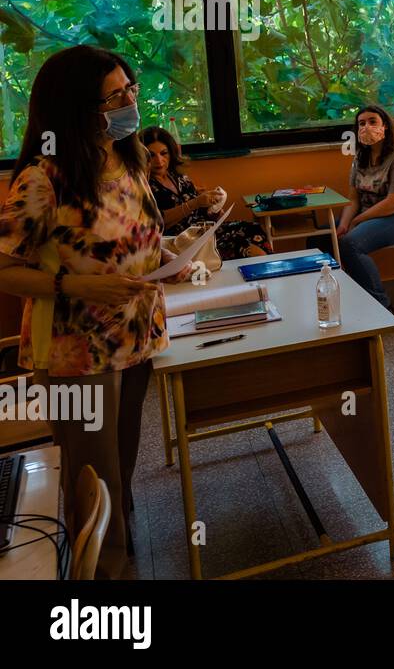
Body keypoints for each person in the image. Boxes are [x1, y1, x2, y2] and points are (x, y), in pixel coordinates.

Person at [0, 45, 193, 579]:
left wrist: (172, 257)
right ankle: (105, 583)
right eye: (116, 94)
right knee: (93, 475)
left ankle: (121, 551)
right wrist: (71, 283)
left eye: (131, 88)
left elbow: (139, 238)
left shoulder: (126, 159)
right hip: (76, 351)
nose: (131, 100)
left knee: (121, 465)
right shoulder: (44, 178)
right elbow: (4, 267)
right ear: (77, 106)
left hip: (137, 336)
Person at [140, 125, 271, 260]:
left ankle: (266, 272)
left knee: (253, 228)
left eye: (163, 153)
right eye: (151, 155)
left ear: (171, 153)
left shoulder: (178, 177)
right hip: (182, 241)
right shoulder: (144, 185)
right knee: (242, 245)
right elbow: (156, 222)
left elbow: (199, 208)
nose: (159, 161)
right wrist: (195, 203)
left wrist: (214, 210)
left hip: (204, 230)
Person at [337, 105, 394, 309]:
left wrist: (357, 221)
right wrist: (343, 224)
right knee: (322, 238)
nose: (367, 127)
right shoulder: (360, 157)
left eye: (373, 121)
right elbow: (353, 199)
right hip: (367, 215)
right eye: (362, 123)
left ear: (385, 126)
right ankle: (341, 300)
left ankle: (381, 305)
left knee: (350, 244)